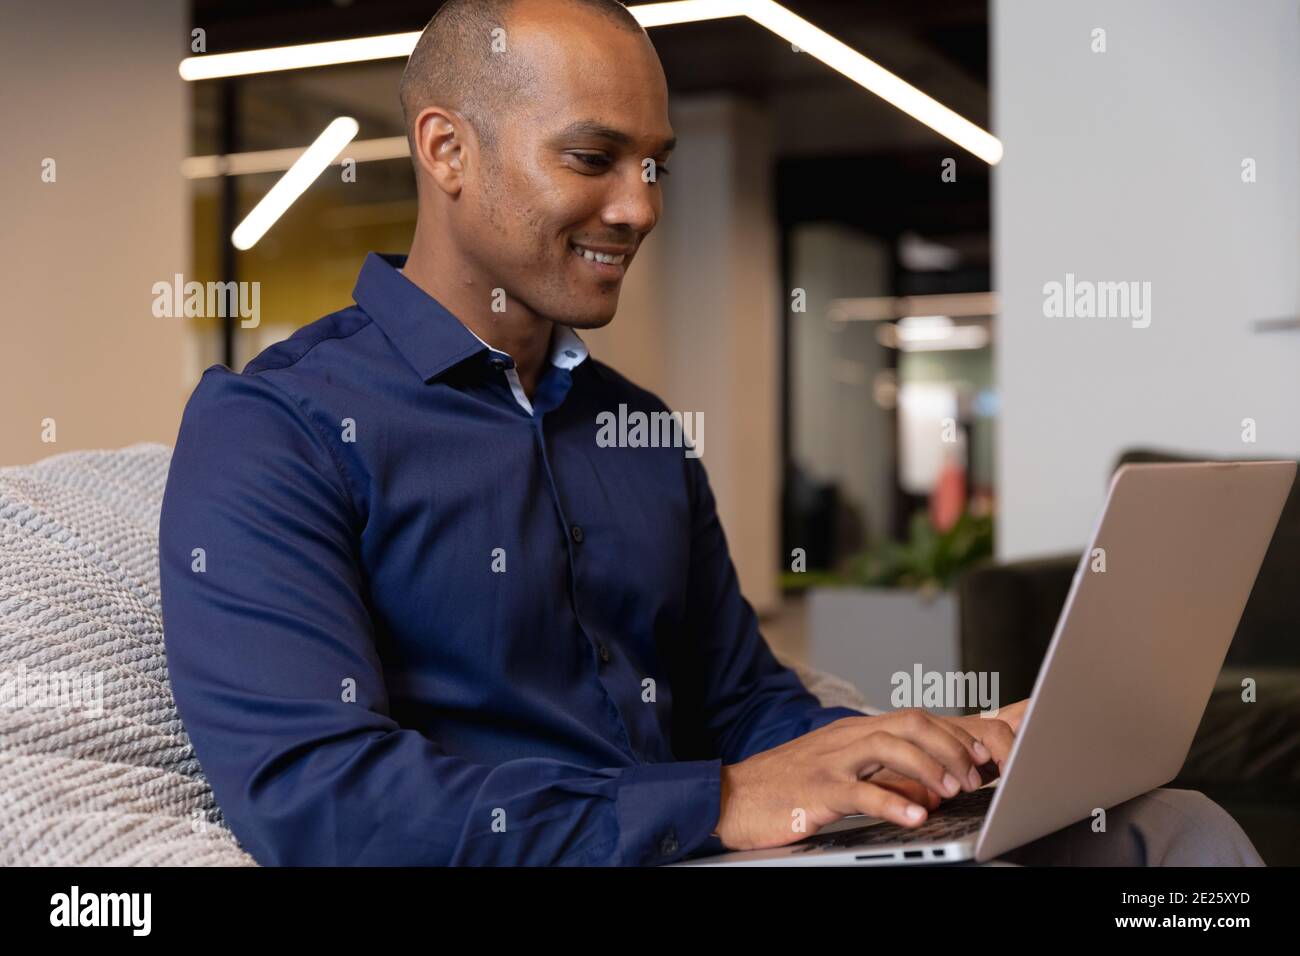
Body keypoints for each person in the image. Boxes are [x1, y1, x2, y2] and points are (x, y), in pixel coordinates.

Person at [158, 0, 1261, 866]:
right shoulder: (274, 426)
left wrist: (916, 751)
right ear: (446, 150)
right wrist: (717, 800)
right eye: (592, 158)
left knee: (1168, 826)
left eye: (655, 164)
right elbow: (319, 798)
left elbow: (738, 698)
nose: (639, 206)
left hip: (711, 844)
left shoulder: (637, 429)